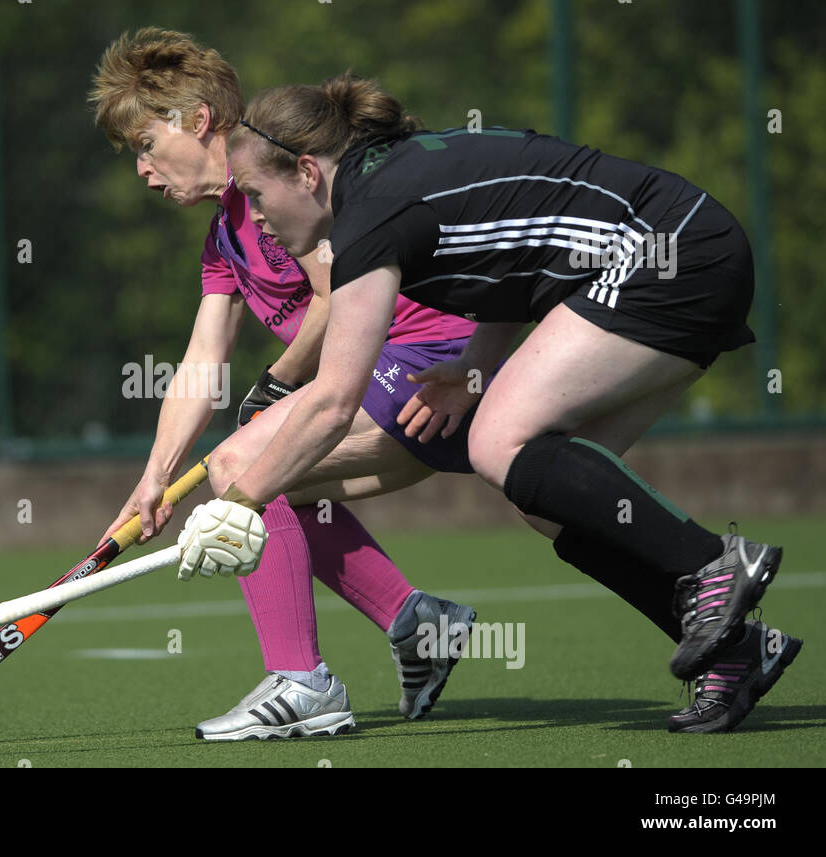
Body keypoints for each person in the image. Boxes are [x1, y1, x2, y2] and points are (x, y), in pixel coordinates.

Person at [176, 73, 803, 733]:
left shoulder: (370, 215)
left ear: (306, 172)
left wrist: (239, 502)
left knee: (496, 440)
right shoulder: (389, 185)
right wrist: (475, 363)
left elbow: (333, 400)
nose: (262, 222)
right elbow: (517, 262)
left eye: (256, 194)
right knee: (546, 498)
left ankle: (712, 562)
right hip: (690, 256)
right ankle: (735, 651)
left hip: (668, 254)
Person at [89, 30, 481, 740]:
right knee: (280, 477)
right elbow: (203, 357)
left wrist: (277, 381)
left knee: (245, 463)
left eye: (146, 145)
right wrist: (154, 477)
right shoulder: (224, 236)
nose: (143, 171)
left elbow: (335, 298)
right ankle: (414, 621)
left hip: (435, 362)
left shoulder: (276, 188)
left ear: (197, 121)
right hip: (377, 382)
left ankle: (303, 684)